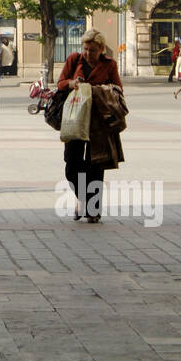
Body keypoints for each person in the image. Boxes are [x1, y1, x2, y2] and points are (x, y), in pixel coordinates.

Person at [59, 29, 123, 223]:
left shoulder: (109, 65)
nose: (88, 54)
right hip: (75, 120)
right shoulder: (73, 60)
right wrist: (71, 83)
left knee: (95, 166)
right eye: (86, 49)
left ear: (101, 49)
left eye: (93, 50)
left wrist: (97, 90)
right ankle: (83, 199)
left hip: (98, 122)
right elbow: (60, 83)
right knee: (72, 164)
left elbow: (118, 90)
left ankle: (93, 210)